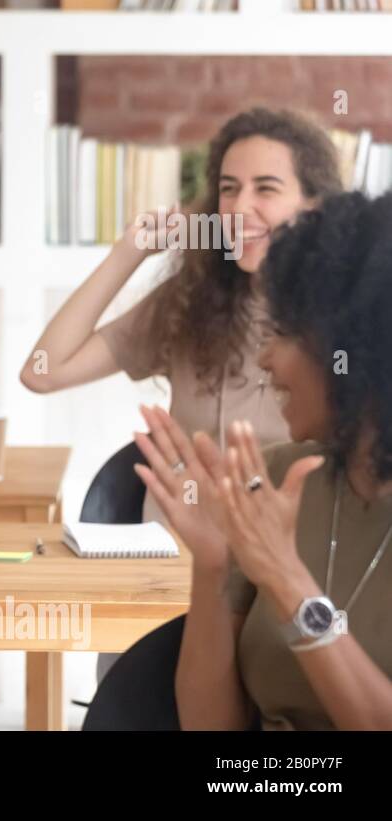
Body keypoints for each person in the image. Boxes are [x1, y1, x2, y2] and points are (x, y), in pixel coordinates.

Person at [135, 191, 392, 730]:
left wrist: (284, 577)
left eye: (284, 334)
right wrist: (210, 565)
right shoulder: (277, 480)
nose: (266, 359)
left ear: (357, 350)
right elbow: (211, 730)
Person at [21, 108, 343, 525]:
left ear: (314, 205)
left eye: (266, 189)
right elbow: (43, 372)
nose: (240, 207)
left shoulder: (348, 319)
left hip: (285, 563)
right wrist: (128, 252)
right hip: (177, 557)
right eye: (229, 189)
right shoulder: (192, 300)